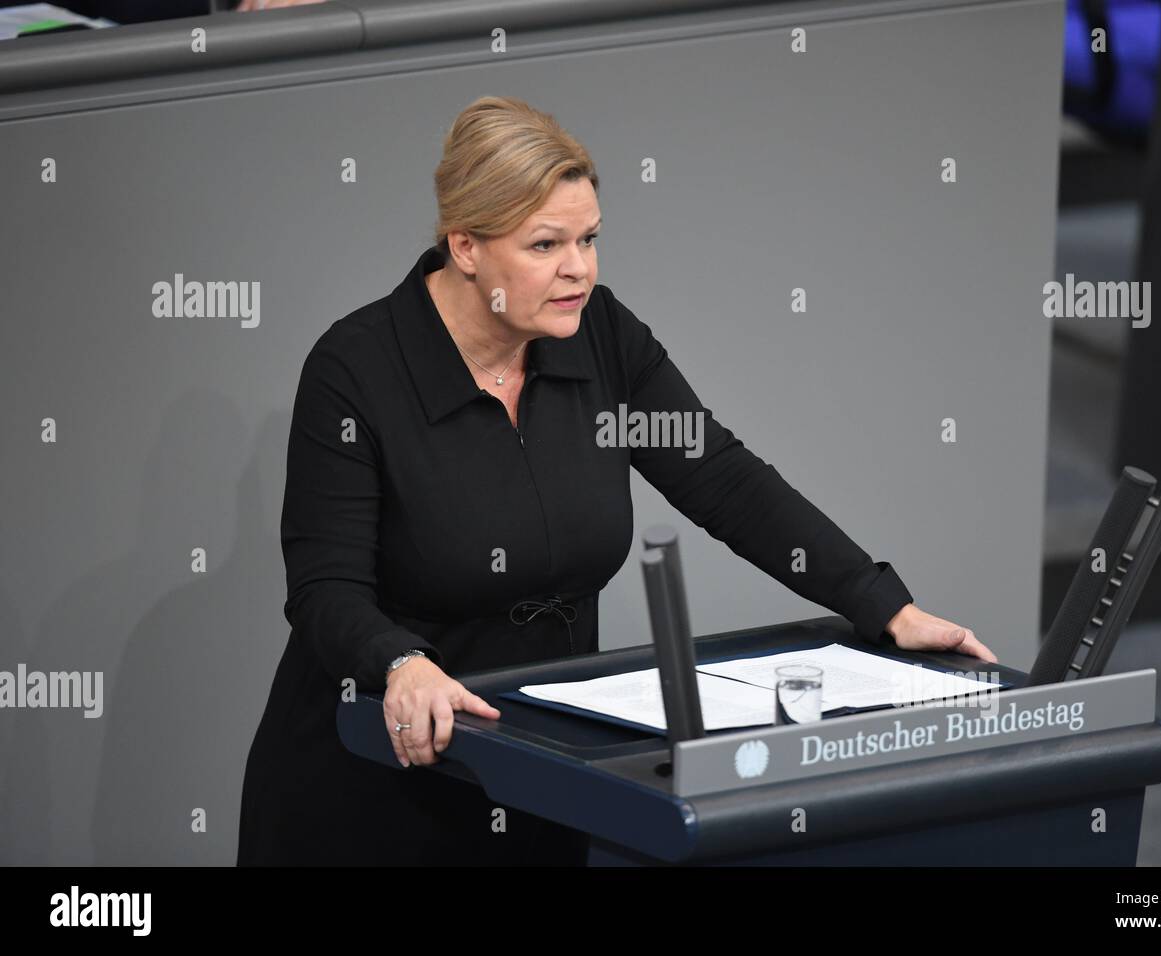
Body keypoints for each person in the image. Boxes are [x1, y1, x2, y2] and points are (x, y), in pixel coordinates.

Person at [237, 95, 996, 867]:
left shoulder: (599, 333)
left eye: (590, 239)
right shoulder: (356, 368)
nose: (580, 269)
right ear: (465, 246)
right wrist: (400, 662)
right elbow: (325, 586)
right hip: (374, 793)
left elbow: (724, 478)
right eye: (546, 245)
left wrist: (881, 603)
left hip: (538, 775)